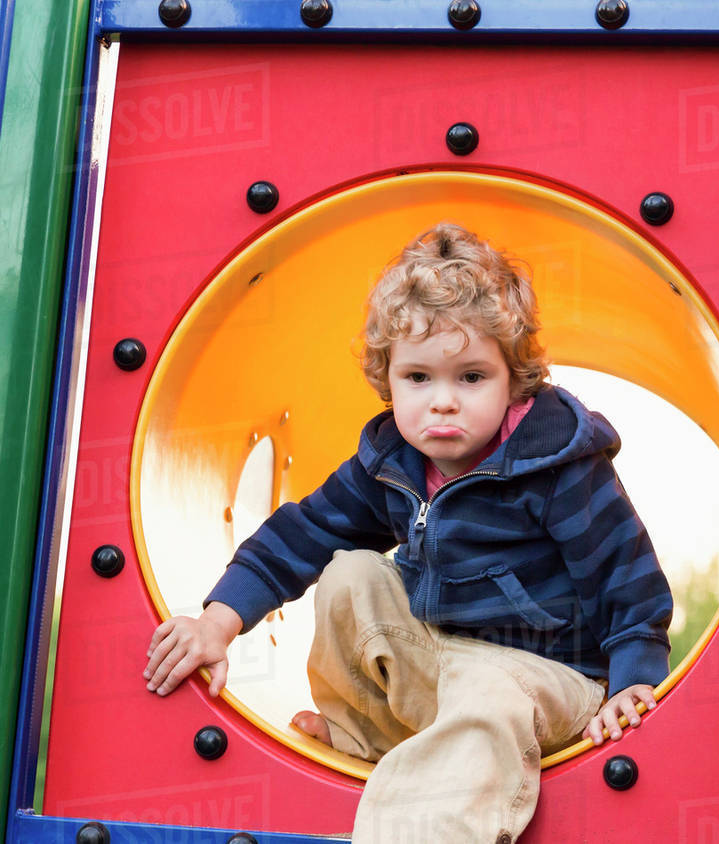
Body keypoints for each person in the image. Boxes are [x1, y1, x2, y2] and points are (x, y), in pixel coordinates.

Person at [143, 222, 673, 842]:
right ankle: (364, 739)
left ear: (515, 378)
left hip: (548, 683)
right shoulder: (390, 461)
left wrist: (633, 680)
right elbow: (302, 534)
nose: (442, 401)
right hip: (440, 669)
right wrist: (218, 622)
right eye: (418, 378)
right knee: (351, 574)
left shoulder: (555, 464)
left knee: (487, 687)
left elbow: (626, 575)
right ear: (387, 379)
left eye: (471, 377)